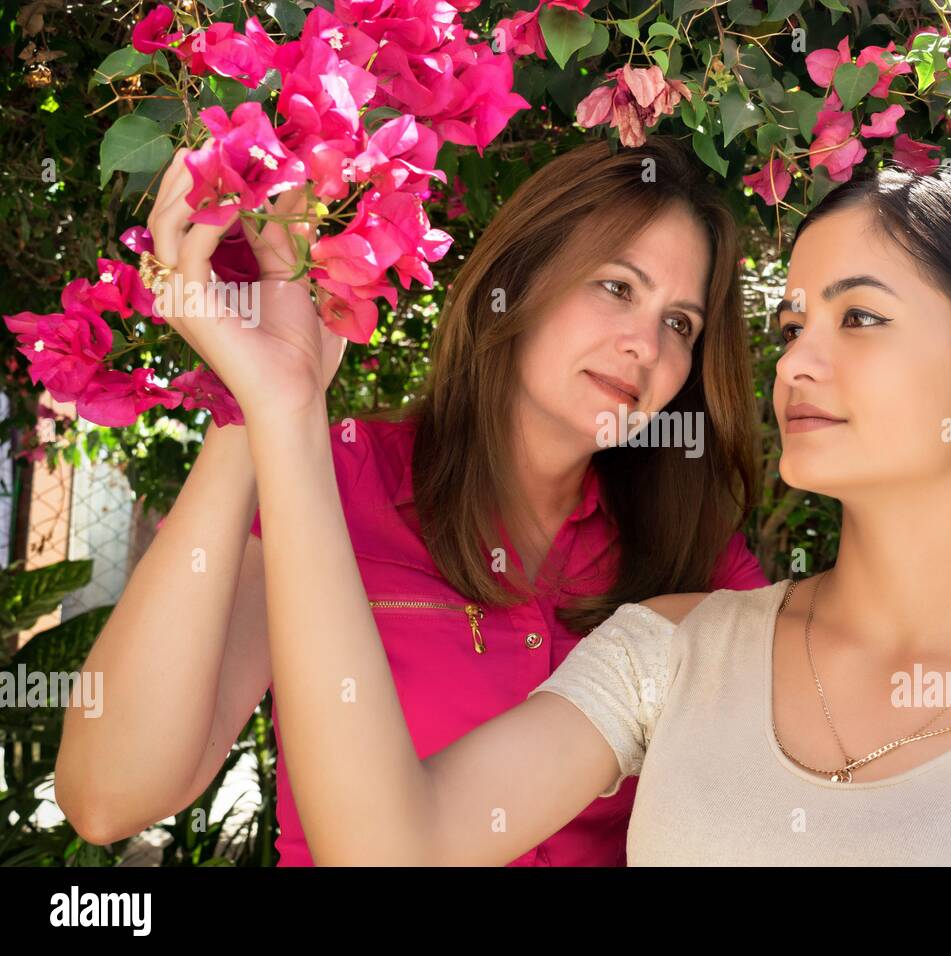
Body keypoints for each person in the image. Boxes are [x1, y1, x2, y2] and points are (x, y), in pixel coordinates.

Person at [136, 156, 951, 866]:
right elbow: (387, 849)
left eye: (858, 320)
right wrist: (281, 409)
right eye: (793, 321)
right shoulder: (669, 645)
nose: (796, 360)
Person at [55, 136, 771, 866]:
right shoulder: (331, 475)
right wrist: (266, 400)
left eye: (679, 324)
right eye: (618, 287)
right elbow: (109, 797)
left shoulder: (698, 554)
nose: (646, 346)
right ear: (517, 279)